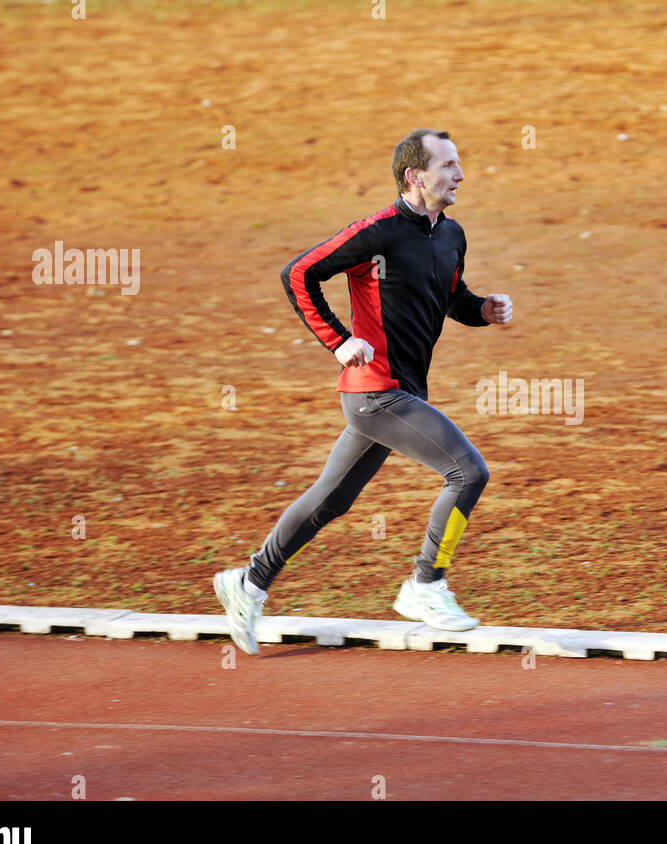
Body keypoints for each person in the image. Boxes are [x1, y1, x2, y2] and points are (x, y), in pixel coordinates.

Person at [214, 128, 513, 655]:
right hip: (375, 392)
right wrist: (338, 341)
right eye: (448, 166)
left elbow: (450, 298)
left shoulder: (451, 235)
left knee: (331, 500)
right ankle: (426, 584)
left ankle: (249, 582)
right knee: (468, 471)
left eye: (459, 164)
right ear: (414, 177)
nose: (460, 175)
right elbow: (299, 272)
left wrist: (483, 310)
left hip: (401, 392)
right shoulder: (377, 233)